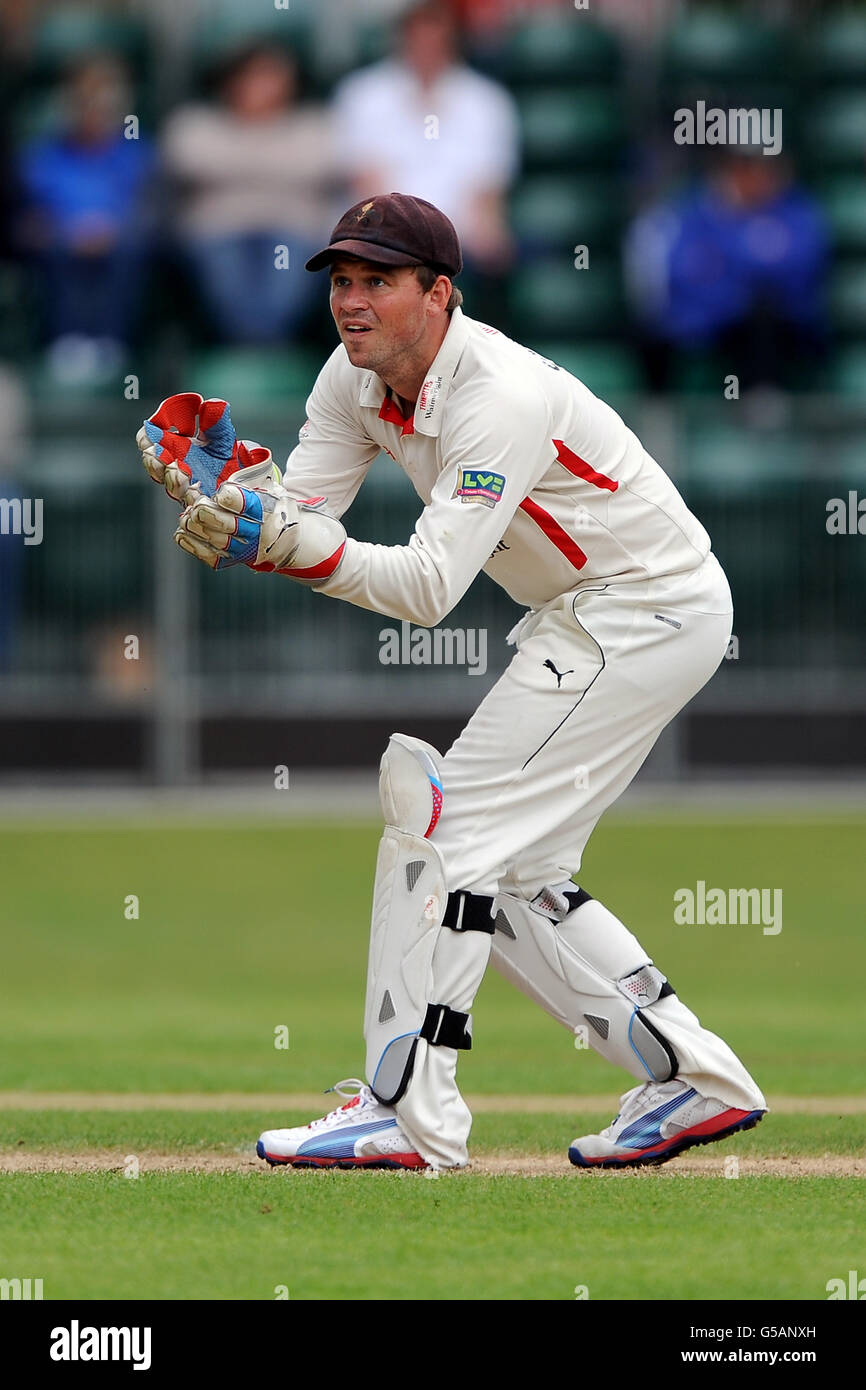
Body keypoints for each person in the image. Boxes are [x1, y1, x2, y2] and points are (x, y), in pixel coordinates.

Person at [139, 193, 766, 1171]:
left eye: (376, 283)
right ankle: (691, 1079)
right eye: (341, 282)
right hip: (598, 615)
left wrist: (286, 545)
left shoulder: (496, 398)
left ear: (438, 294)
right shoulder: (350, 381)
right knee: (518, 875)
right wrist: (237, 495)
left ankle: (405, 1111)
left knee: (443, 824)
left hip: (642, 607)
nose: (351, 303)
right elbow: (303, 512)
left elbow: (429, 588)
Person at [332, 1, 518, 312]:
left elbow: (487, 195)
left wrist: (481, 237)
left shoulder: (487, 101)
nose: (426, 43)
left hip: (461, 239)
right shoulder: (362, 95)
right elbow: (366, 187)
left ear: (453, 37)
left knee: (493, 260)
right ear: (401, 36)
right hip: (383, 232)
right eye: (417, 33)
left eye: (436, 32)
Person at [161, 42, 338, 345]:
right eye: (253, 77)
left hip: (292, 229)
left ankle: (261, 355)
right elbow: (185, 160)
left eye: (273, 77)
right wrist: (277, 165)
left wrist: (234, 166)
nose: (263, 87)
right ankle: (251, 354)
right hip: (219, 229)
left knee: (285, 289)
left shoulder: (313, 124)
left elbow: (322, 164)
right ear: (231, 82)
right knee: (226, 281)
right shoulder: (197, 123)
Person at [625, 149, 829, 392]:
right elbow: (683, 271)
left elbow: (799, 269)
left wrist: (729, 267)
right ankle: (658, 413)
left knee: (762, 316)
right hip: (711, 317)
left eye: (759, 167)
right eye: (743, 166)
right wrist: (740, 270)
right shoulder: (696, 213)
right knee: (650, 330)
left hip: (781, 324)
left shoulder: (797, 213)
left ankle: (763, 404)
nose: (752, 175)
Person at [16, 53, 155, 381]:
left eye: (103, 102)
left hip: (120, 240)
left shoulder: (137, 153)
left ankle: (112, 343)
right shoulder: (43, 155)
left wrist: (110, 230)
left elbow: (149, 210)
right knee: (58, 250)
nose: (94, 111)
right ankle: (66, 343)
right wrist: (67, 230)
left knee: (128, 248)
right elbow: (30, 214)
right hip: (60, 241)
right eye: (84, 102)